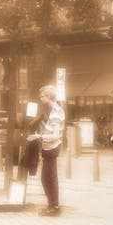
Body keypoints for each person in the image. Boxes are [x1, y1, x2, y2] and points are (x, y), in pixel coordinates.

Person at [28, 85, 65, 216]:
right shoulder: (51, 110)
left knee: (49, 178)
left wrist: (38, 136)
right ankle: (52, 205)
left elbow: (55, 135)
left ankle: (54, 207)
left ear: (49, 97)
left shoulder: (56, 112)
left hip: (52, 148)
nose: (40, 98)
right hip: (48, 147)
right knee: (46, 178)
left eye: (42, 96)